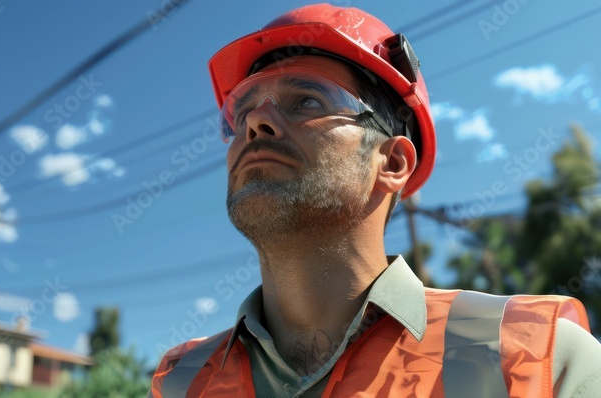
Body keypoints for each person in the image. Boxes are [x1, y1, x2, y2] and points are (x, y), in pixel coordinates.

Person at [148, 4, 601, 397]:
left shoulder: (536, 358)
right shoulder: (180, 382)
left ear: (393, 163)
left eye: (306, 99)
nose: (256, 122)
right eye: (243, 111)